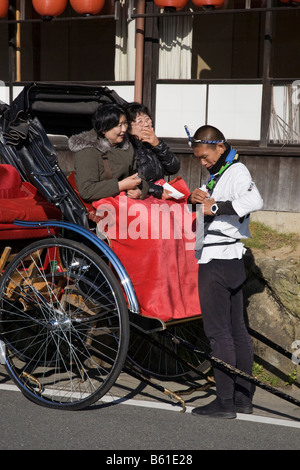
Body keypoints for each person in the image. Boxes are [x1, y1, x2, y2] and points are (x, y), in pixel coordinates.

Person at [188, 125, 263, 419]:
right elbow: (211, 204)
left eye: (205, 156)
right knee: (237, 332)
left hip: (218, 258)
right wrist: (200, 197)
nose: (203, 162)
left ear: (220, 147)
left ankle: (225, 402)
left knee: (219, 334)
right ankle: (243, 399)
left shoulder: (237, 170)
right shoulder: (220, 172)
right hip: (229, 258)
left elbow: (254, 201)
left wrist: (214, 206)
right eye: (199, 158)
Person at [68, 103, 148, 202]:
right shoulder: (88, 150)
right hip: (101, 209)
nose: (124, 129)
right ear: (104, 129)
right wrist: (121, 185)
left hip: (125, 203)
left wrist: (140, 192)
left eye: (125, 123)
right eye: (119, 125)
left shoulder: (126, 145)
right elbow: (87, 190)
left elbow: (138, 175)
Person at [126, 102, 180, 200]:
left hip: (158, 196)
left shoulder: (152, 144)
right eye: (140, 122)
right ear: (129, 128)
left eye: (147, 119)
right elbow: (130, 179)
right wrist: (158, 191)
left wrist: (158, 145)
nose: (146, 124)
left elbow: (173, 168)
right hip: (139, 200)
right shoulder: (127, 147)